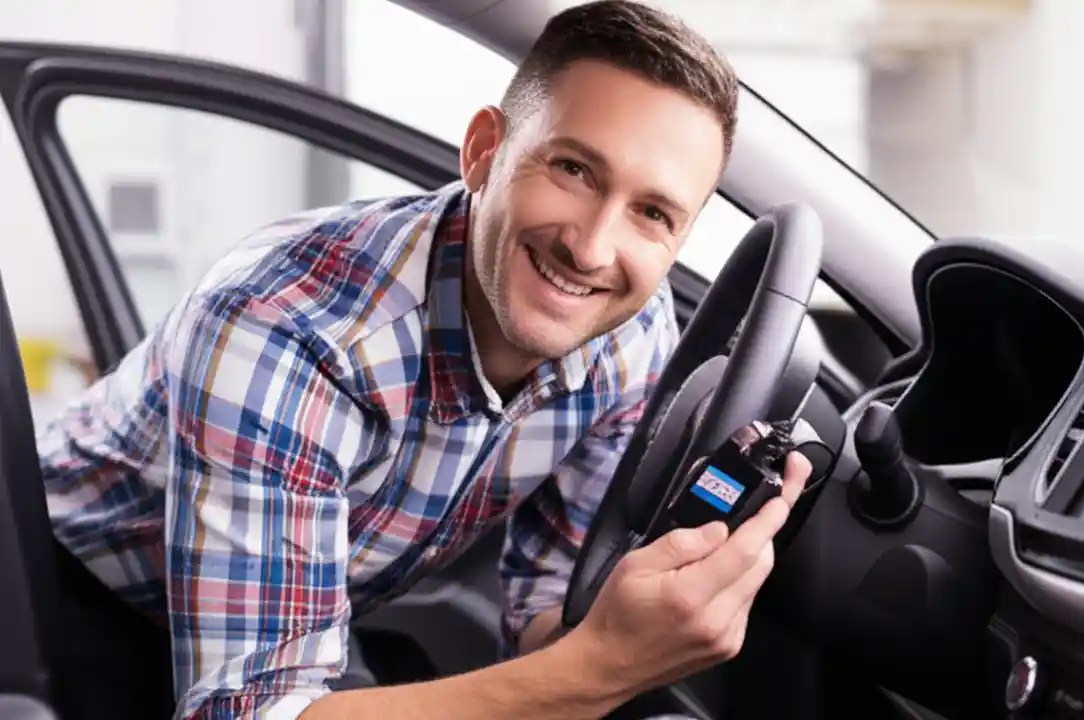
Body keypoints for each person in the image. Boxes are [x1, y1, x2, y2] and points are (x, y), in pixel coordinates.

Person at [38, 1, 811, 718]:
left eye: (652, 212)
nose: (592, 248)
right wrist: (600, 667)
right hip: (75, 599)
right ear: (483, 153)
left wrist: (649, 618)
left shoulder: (628, 334)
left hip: (312, 610)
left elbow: (548, 603)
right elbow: (245, 712)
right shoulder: (284, 330)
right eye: (574, 170)